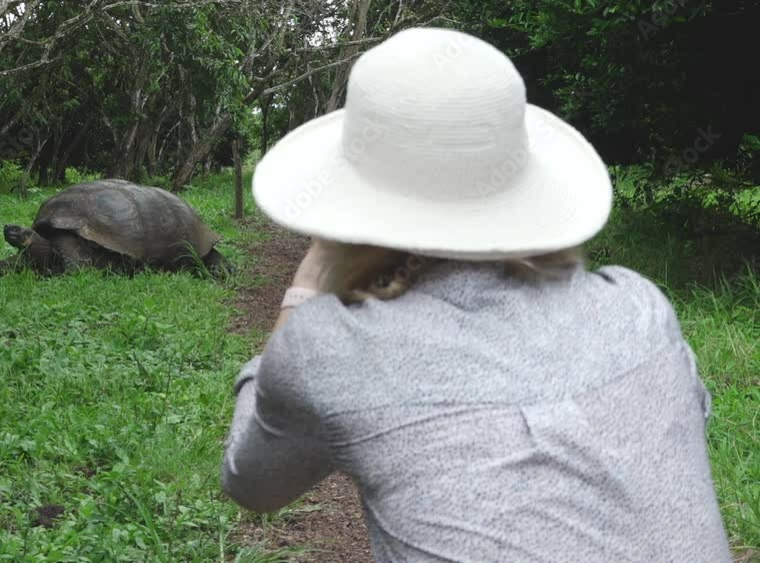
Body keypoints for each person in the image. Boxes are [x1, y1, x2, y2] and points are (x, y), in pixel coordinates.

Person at [221, 27, 731, 562]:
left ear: (346, 210)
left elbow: (251, 483)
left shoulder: (327, 347)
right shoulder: (639, 307)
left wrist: (307, 283)